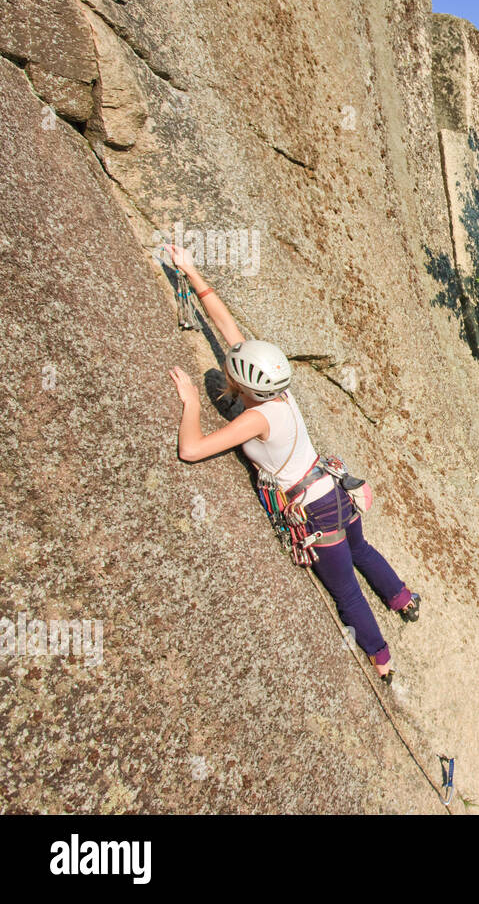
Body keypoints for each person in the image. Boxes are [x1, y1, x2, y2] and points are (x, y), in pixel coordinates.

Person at [163, 243, 418, 682]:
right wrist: (191, 270)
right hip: (333, 489)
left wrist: (189, 402)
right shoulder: (279, 391)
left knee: (346, 593)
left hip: (312, 510)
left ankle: (383, 660)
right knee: (361, 548)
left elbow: (192, 450)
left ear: (241, 382)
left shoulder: (256, 418)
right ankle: (403, 598)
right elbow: (228, 329)